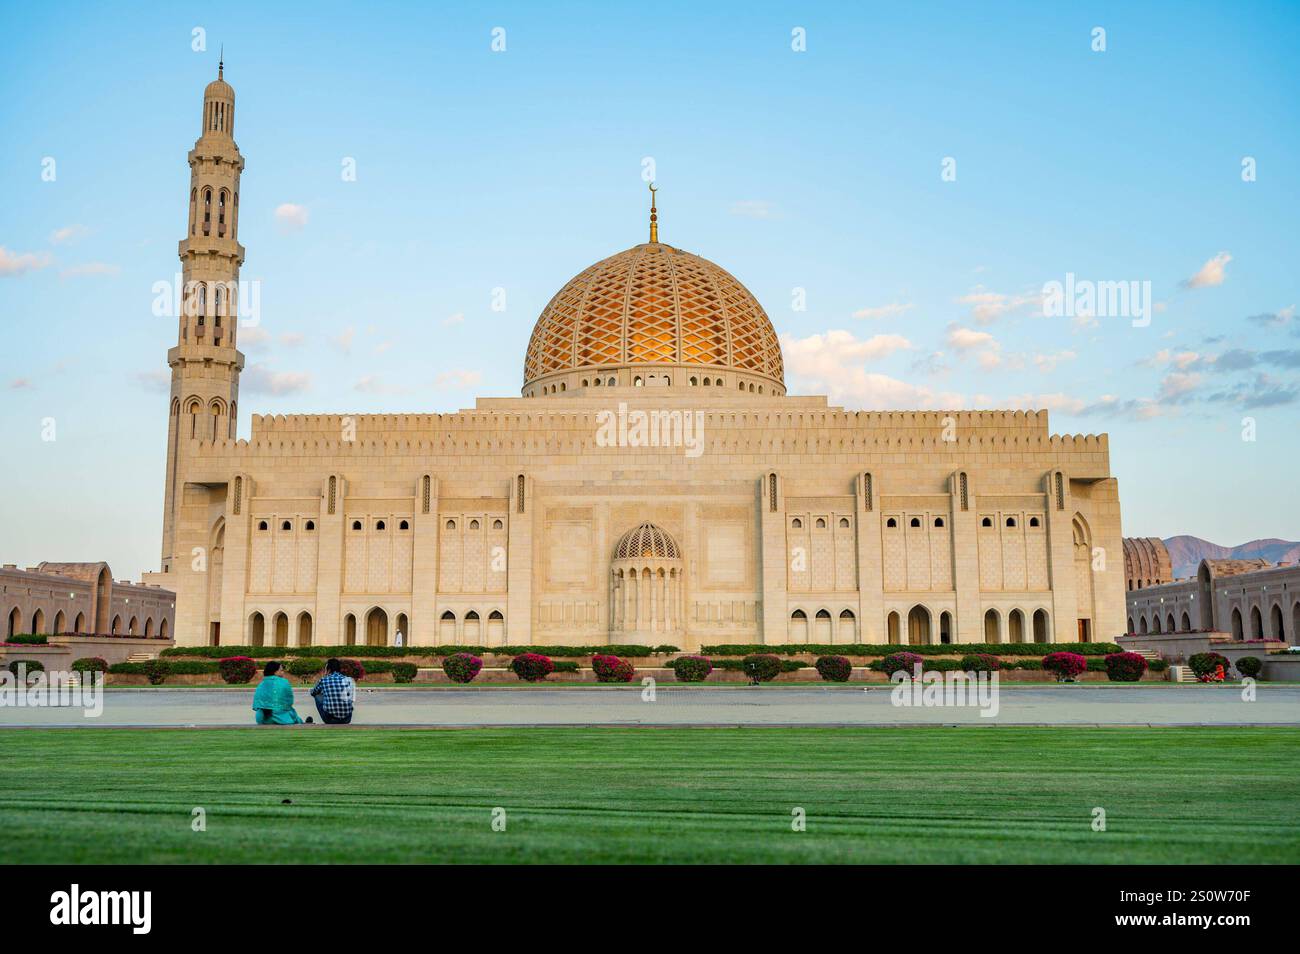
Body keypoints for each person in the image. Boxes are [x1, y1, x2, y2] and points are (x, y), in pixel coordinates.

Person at [310, 658, 355, 725]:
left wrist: (324, 692)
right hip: (347, 719)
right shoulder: (348, 680)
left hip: (330, 720)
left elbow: (313, 692)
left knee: (317, 695)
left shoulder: (324, 680)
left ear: (328, 669)